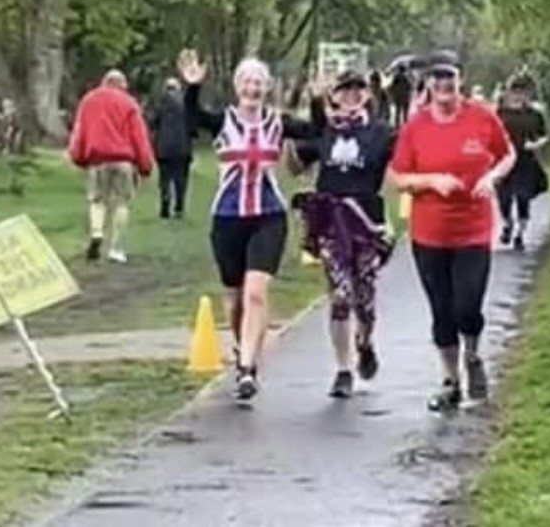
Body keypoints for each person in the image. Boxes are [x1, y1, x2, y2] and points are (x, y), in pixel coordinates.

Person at [178, 49, 320, 402]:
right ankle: (244, 347)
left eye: (259, 83)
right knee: (235, 297)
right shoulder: (223, 120)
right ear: (237, 87)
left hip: (268, 216)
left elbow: (318, 131)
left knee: (257, 291)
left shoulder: (277, 122)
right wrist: (193, 86)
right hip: (227, 217)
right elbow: (190, 119)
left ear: (267, 88)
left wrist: (317, 99)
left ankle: (247, 368)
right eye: (247, 82)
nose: (253, 88)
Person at [388, 50, 516, 411]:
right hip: (429, 234)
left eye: (450, 79)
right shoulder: (416, 127)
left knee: (467, 306)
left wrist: (492, 177)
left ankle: (473, 356)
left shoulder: (481, 118)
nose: (444, 85)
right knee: (442, 311)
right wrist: (431, 181)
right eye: (437, 79)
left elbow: (507, 154)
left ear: (460, 81)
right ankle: (450, 381)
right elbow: (398, 178)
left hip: (473, 230)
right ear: (428, 84)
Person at [286, 69, 396, 399]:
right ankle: (343, 370)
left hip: (366, 226)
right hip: (332, 225)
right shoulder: (323, 131)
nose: (350, 95)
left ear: (367, 94)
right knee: (340, 296)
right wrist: (294, 131)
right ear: (334, 95)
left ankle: (365, 341)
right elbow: (295, 166)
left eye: (357, 89)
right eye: (344, 90)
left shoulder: (380, 133)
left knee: (365, 300)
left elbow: (403, 163)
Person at [68, 69, 155, 264]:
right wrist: (145, 165)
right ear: (122, 84)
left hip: (97, 160)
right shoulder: (129, 103)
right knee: (122, 203)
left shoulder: (88, 101)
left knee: (97, 200)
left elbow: (79, 132)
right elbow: (139, 137)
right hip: (123, 161)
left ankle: (97, 233)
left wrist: (77, 157)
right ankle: (116, 248)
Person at [495, 75, 550, 250]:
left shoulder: (534, 115)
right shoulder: (500, 114)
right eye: (515, 91)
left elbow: (543, 135)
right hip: (503, 162)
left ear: (528, 94)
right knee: (504, 198)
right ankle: (507, 223)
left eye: (522, 92)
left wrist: (535, 144)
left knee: (523, 197)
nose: (518, 96)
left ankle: (520, 233)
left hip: (525, 161)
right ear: (509, 93)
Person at [149, 77, 193, 219]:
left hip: (164, 148)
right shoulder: (185, 106)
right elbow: (193, 126)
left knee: (164, 179)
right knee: (181, 179)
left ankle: (165, 204)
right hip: (182, 148)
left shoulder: (160, 105)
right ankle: (179, 206)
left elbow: (152, 122)